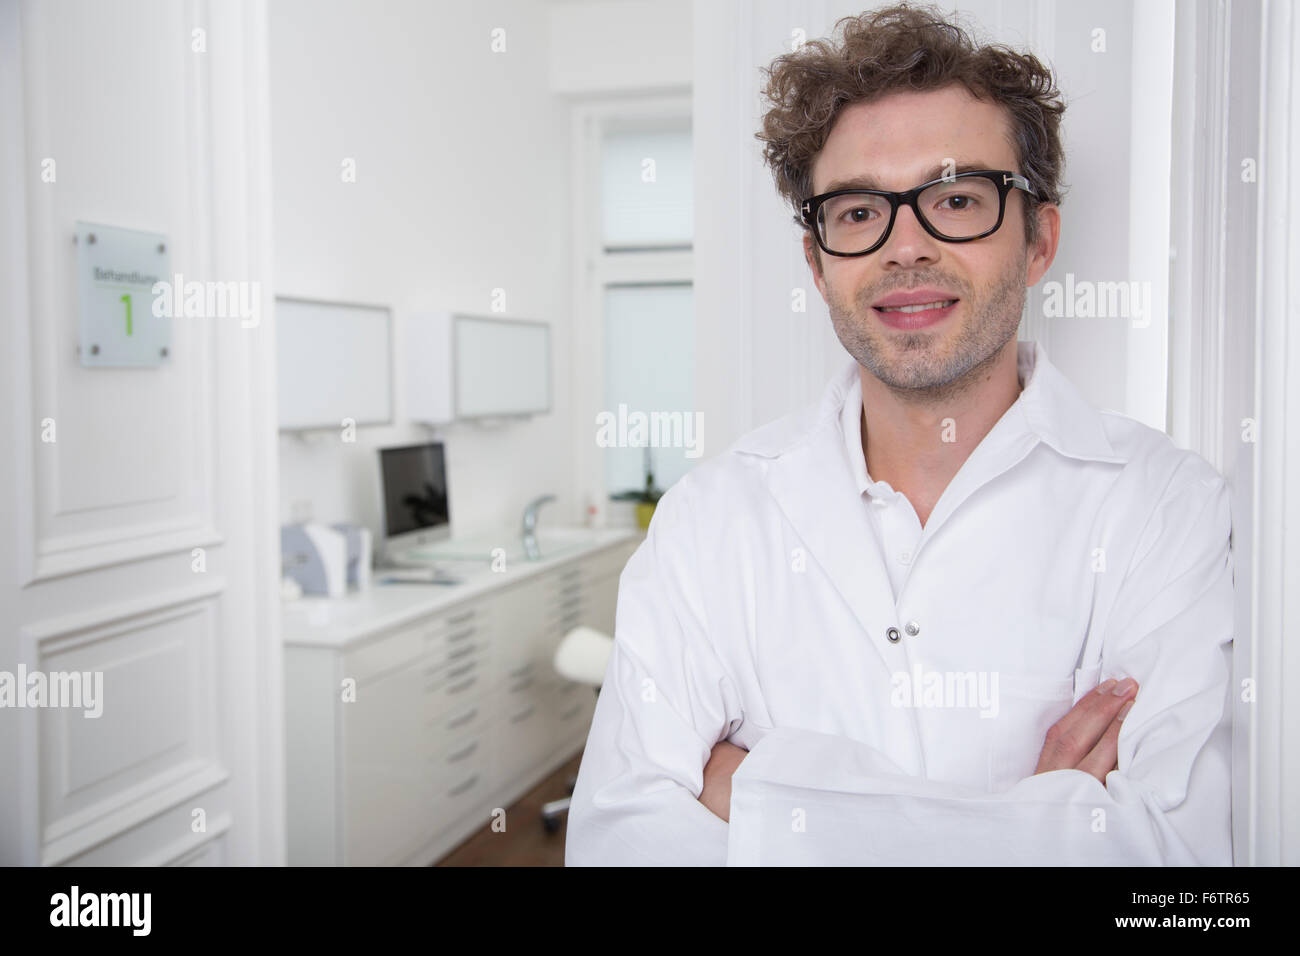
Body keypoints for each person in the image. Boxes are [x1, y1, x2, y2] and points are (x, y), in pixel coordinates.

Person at [565, 3, 1234, 866]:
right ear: (817, 262)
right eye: (856, 212)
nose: (904, 248)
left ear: (1039, 241)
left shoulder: (1163, 509)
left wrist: (761, 798)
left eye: (957, 199)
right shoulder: (707, 522)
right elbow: (620, 846)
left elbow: (1183, 882)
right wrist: (1033, 823)